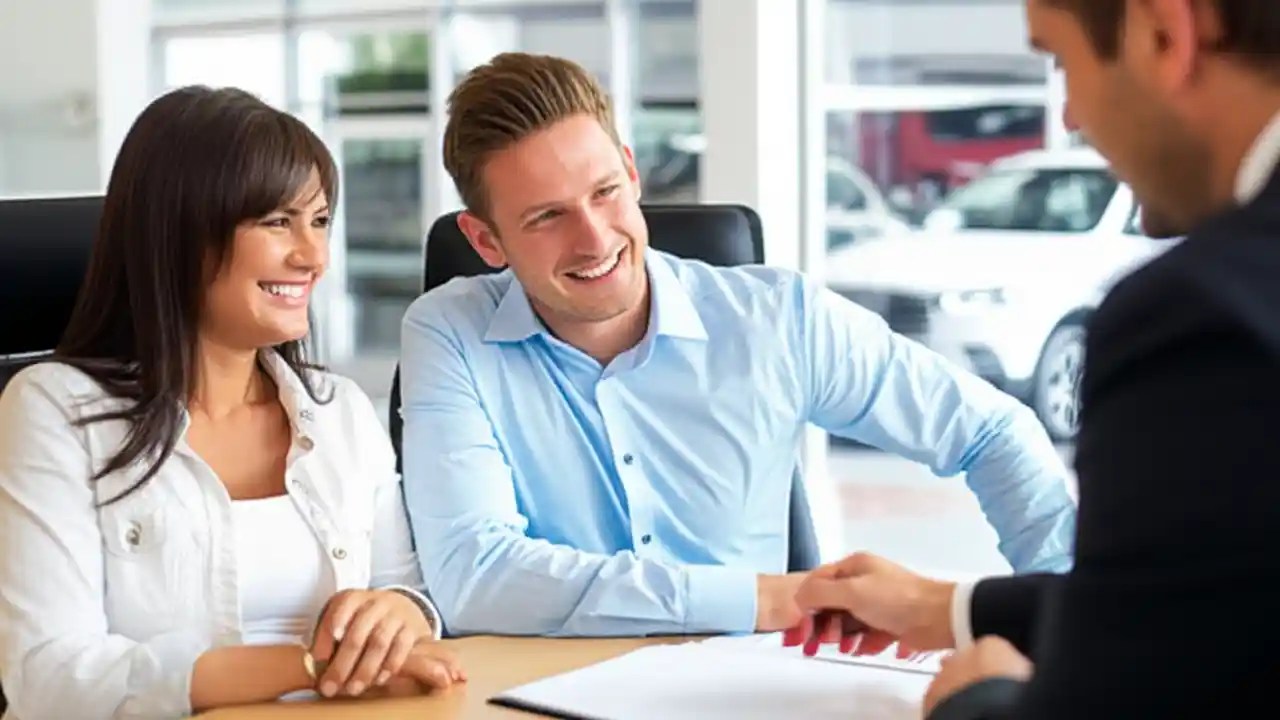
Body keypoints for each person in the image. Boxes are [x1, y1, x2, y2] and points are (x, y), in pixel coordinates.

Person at [397, 51, 1077, 639]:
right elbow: (474, 573)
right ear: (486, 241)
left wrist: (1065, 625)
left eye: (604, 193)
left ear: (632, 174)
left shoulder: (779, 319)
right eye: (547, 217)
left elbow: (991, 434)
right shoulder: (448, 333)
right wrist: (760, 598)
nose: (595, 238)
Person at [788, 1, 1280, 717]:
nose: (1072, 115)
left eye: (1060, 61)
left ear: (1164, 33)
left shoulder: (1203, 317)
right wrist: (953, 610)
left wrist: (976, 696)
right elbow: (1209, 601)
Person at [0, 86, 465, 720]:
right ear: (181, 233)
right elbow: (49, 678)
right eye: (278, 222)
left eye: (320, 221)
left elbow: (406, 590)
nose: (313, 256)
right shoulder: (54, 411)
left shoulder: (341, 412)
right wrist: (308, 666)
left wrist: (400, 615)